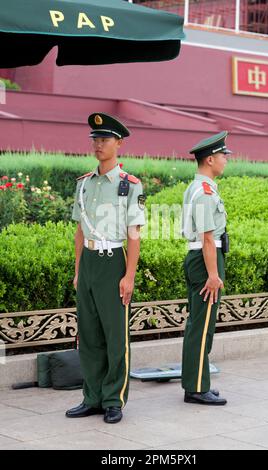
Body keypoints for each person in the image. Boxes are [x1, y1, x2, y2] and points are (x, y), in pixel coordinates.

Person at [66, 113, 146, 424]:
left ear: (119, 143)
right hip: (88, 263)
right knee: (88, 334)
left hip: (113, 261)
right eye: (95, 139)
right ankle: (92, 397)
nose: (99, 144)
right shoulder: (84, 184)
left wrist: (129, 275)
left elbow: (134, 234)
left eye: (105, 139)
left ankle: (114, 400)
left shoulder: (129, 185)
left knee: (115, 336)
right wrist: (77, 269)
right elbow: (79, 231)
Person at [181, 131, 232, 406]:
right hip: (205, 259)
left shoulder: (199, 187)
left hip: (202, 257)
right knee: (202, 327)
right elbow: (208, 238)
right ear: (210, 159)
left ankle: (195, 383)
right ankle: (197, 387)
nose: (226, 160)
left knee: (199, 324)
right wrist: (213, 275)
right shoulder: (204, 191)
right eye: (223, 155)